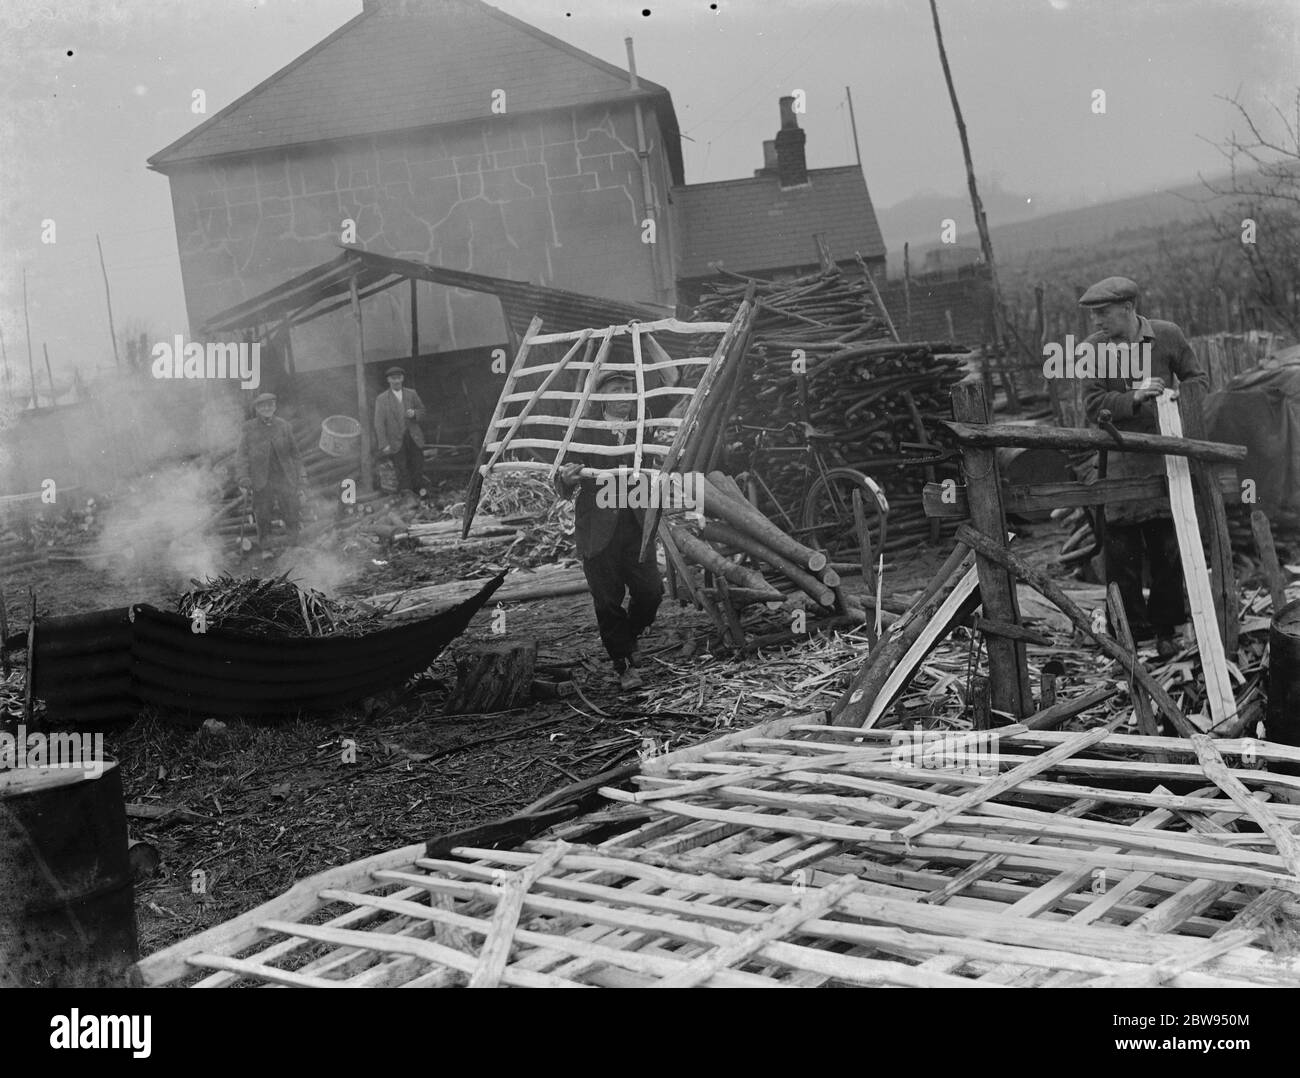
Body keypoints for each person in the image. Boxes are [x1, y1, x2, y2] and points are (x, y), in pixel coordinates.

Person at [1080, 276, 1209, 660]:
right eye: (1093, 314)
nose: (1097, 321)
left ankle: (1168, 631)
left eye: (1103, 313)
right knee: (1122, 557)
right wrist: (1132, 398)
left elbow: (1197, 379)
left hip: (1165, 462)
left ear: (1129, 308)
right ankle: (1131, 636)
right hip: (1118, 466)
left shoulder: (1167, 336)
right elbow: (1092, 404)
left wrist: (1176, 397)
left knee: (1168, 550)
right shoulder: (1093, 349)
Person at [555, 371, 663, 691]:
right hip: (598, 528)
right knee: (607, 600)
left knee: (651, 591)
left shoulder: (642, 423)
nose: (625, 395)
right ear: (601, 396)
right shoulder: (583, 430)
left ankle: (628, 637)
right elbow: (561, 477)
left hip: (636, 522)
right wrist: (568, 478)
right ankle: (624, 664)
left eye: (629, 389)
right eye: (617, 390)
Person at [236, 392, 307, 557]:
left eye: (270, 405)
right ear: (257, 409)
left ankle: (293, 545)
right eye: (263, 406)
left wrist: (301, 476)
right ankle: (266, 548)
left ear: (275, 407)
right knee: (263, 514)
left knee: (291, 511)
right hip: (261, 479)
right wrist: (243, 478)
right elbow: (242, 456)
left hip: (285, 477)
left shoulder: (284, 426)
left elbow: (295, 454)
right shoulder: (249, 428)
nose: (267, 408)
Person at [373, 366, 427, 495]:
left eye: (398, 378)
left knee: (417, 464)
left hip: (413, 436)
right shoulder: (382, 399)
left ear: (402, 379)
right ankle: (406, 494)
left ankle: (420, 492)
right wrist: (384, 444)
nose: (396, 381)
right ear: (388, 380)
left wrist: (414, 413)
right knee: (401, 467)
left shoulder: (411, 393)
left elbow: (423, 412)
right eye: (393, 378)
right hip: (395, 439)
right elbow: (378, 423)